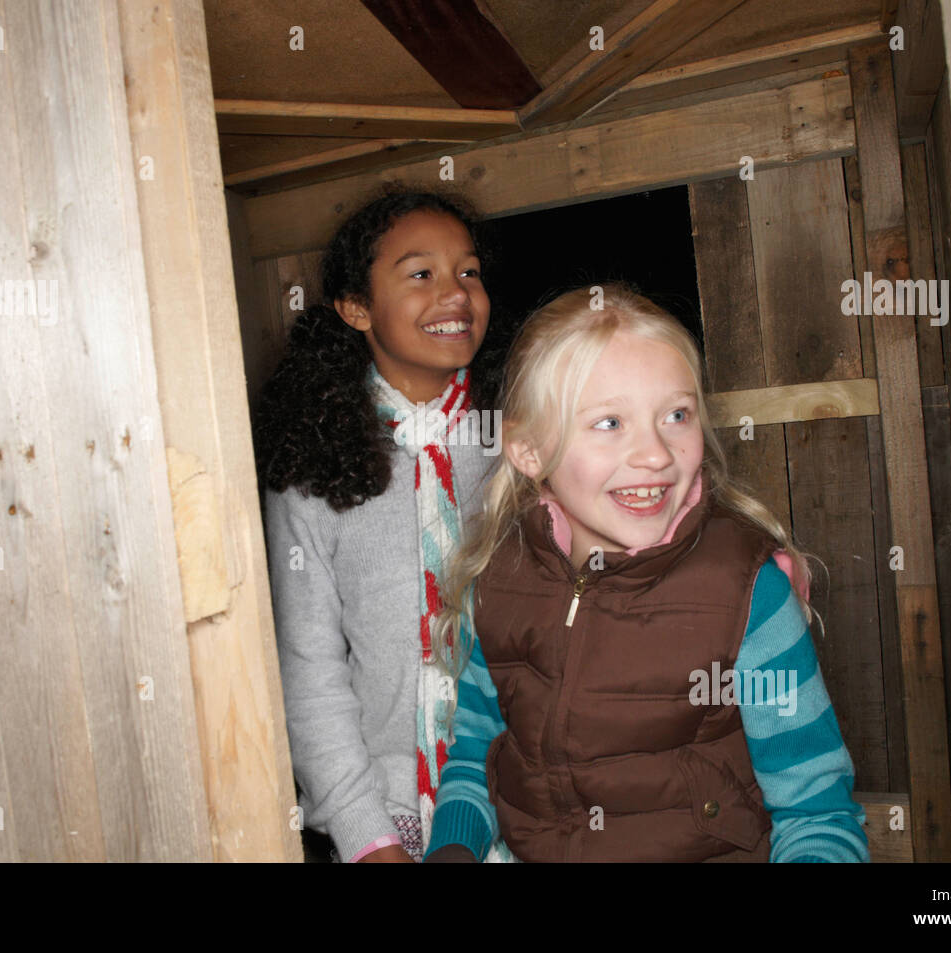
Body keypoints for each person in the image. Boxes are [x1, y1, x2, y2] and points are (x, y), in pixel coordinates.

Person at [423, 284, 870, 863]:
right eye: (610, 422)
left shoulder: (748, 593)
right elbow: (477, 753)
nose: (657, 454)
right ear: (529, 450)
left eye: (676, 416)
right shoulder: (501, 581)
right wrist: (453, 848)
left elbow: (816, 812)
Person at [255, 186, 513, 862]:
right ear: (356, 306)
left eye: (469, 271)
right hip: (386, 805)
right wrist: (366, 837)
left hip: (526, 790)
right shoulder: (311, 466)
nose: (456, 292)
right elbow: (307, 666)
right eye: (422, 273)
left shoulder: (520, 439)